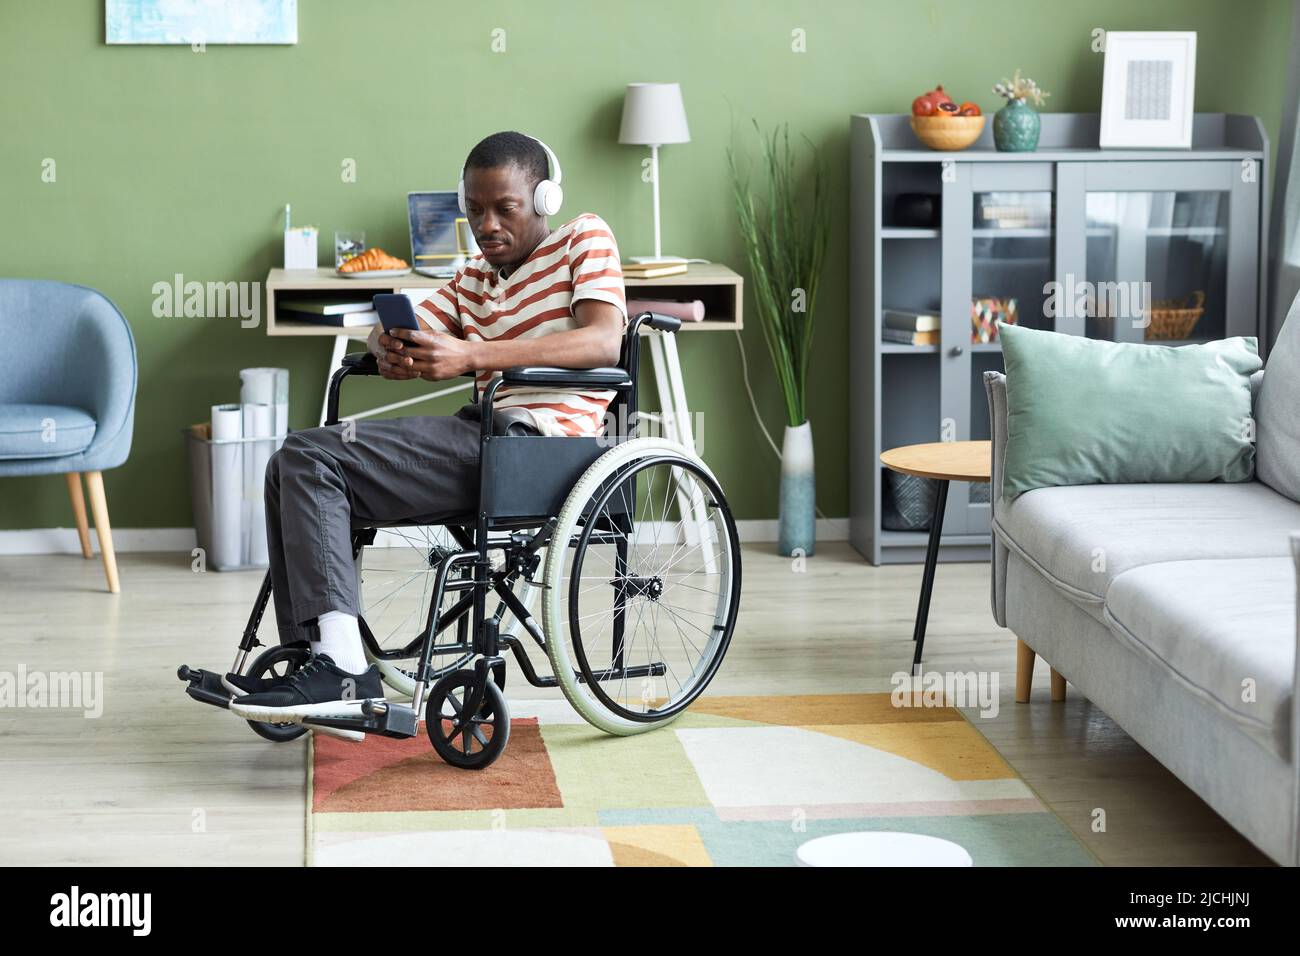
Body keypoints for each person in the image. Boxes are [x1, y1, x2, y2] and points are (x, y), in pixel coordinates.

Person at [226, 131, 627, 725]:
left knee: (311, 457)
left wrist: (471, 357)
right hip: (481, 438)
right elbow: (405, 326)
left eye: (504, 208)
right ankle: (320, 654)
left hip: (542, 446)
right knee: (292, 464)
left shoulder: (582, 238)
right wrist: (388, 346)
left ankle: (343, 672)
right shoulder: (473, 279)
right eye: (474, 211)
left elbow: (603, 340)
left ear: (544, 199)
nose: (487, 225)